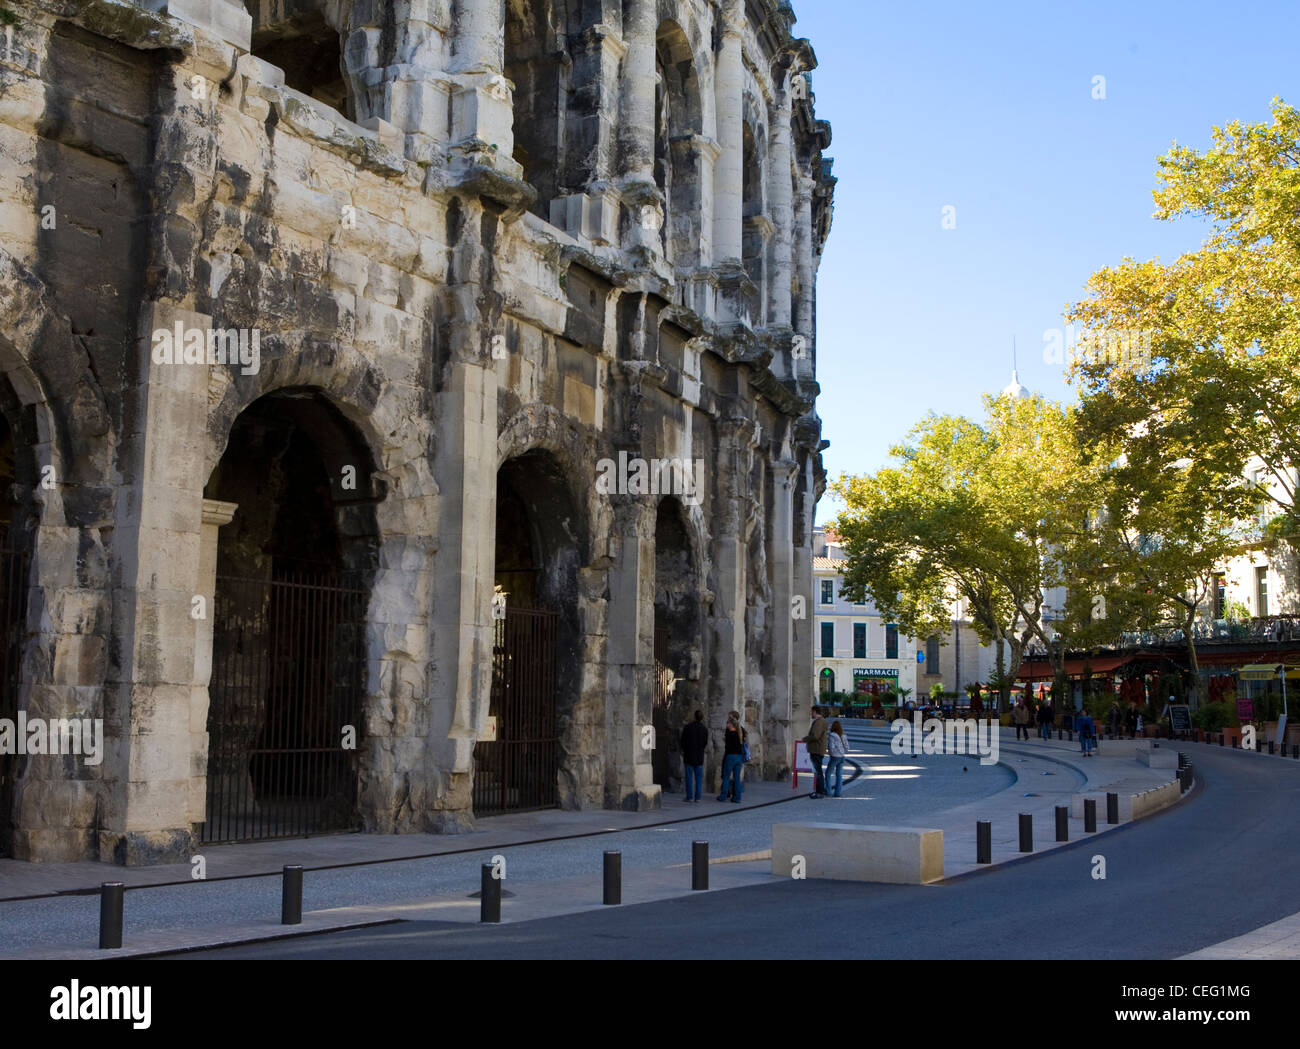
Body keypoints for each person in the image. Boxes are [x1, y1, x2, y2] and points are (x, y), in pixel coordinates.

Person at [717, 711, 747, 803]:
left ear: (731, 724)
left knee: (726, 777)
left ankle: (723, 795)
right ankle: (737, 797)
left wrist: (725, 740)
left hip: (730, 756)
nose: (726, 724)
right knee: (737, 778)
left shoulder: (730, 734)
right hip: (739, 757)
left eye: (728, 723)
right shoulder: (740, 733)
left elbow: (728, 746)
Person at [680, 710, 708, 802]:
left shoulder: (688, 727)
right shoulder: (704, 729)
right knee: (699, 778)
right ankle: (698, 797)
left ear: (694, 716)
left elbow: (683, 741)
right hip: (699, 756)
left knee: (689, 777)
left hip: (689, 755)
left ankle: (689, 796)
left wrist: (685, 749)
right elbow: (705, 743)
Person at [803, 705, 829, 798]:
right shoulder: (821, 722)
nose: (811, 714)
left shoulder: (819, 722)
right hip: (817, 749)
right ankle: (821, 790)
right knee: (818, 771)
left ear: (815, 712)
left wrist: (805, 739)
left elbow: (815, 736)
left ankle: (820, 792)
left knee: (817, 772)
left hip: (816, 749)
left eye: (811, 712)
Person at [825, 720, 848, 797]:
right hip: (842, 757)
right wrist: (842, 751)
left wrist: (829, 752)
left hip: (835, 757)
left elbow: (831, 747)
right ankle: (837, 793)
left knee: (828, 773)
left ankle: (828, 791)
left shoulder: (832, 736)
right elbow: (847, 747)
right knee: (839, 775)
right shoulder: (844, 735)